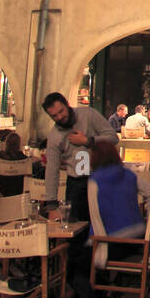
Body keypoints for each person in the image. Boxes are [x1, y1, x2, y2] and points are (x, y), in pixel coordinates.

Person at [73, 140, 150, 298]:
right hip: (137, 239)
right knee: (86, 257)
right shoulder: (129, 174)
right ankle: (105, 296)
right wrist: (149, 223)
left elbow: (95, 218)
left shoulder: (94, 180)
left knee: (73, 266)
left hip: (113, 241)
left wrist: (97, 246)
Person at [40, 91, 118, 222]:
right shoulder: (54, 137)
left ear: (67, 105)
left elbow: (113, 138)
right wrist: (52, 206)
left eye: (61, 111)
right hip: (77, 184)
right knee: (78, 230)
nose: (60, 117)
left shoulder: (88, 114)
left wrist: (88, 141)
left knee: (106, 225)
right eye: (54, 116)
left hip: (102, 177)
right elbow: (52, 170)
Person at [0, 132, 28, 197]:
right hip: (18, 188)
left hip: (1, 188)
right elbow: (28, 169)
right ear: (18, 144)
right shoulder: (21, 157)